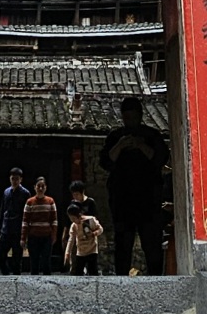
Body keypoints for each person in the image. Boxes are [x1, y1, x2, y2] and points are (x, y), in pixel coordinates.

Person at [100, 97, 168, 275]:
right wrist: (121, 145)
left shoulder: (152, 136)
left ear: (140, 115)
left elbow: (160, 159)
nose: (130, 121)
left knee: (152, 242)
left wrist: (140, 145)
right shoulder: (115, 137)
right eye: (126, 117)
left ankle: (156, 279)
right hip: (122, 200)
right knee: (123, 243)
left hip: (149, 199)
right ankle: (121, 278)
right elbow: (105, 162)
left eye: (133, 117)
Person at [0, 167, 32, 273]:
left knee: (17, 260)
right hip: (6, 229)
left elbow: (27, 214)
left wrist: (26, 232)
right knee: (1, 258)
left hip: (18, 230)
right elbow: (2, 212)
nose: (14, 181)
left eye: (17, 179)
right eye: (13, 178)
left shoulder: (25, 193)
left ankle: (16, 280)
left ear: (20, 180)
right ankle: (5, 277)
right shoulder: (6, 192)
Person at [20, 175, 59, 274]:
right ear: (34, 187)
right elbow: (25, 221)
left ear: (46, 187)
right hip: (33, 236)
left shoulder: (50, 201)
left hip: (46, 236)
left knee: (46, 262)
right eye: (38, 186)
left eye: (43, 186)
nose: (40, 188)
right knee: (34, 262)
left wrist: (54, 235)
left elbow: (54, 220)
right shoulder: (30, 202)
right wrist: (23, 238)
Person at [63, 205, 105, 276]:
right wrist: (67, 253)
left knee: (93, 271)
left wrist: (94, 233)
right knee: (78, 272)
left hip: (92, 249)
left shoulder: (91, 220)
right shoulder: (74, 226)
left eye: (73, 218)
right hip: (81, 251)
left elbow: (100, 229)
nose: (72, 220)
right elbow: (71, 240)